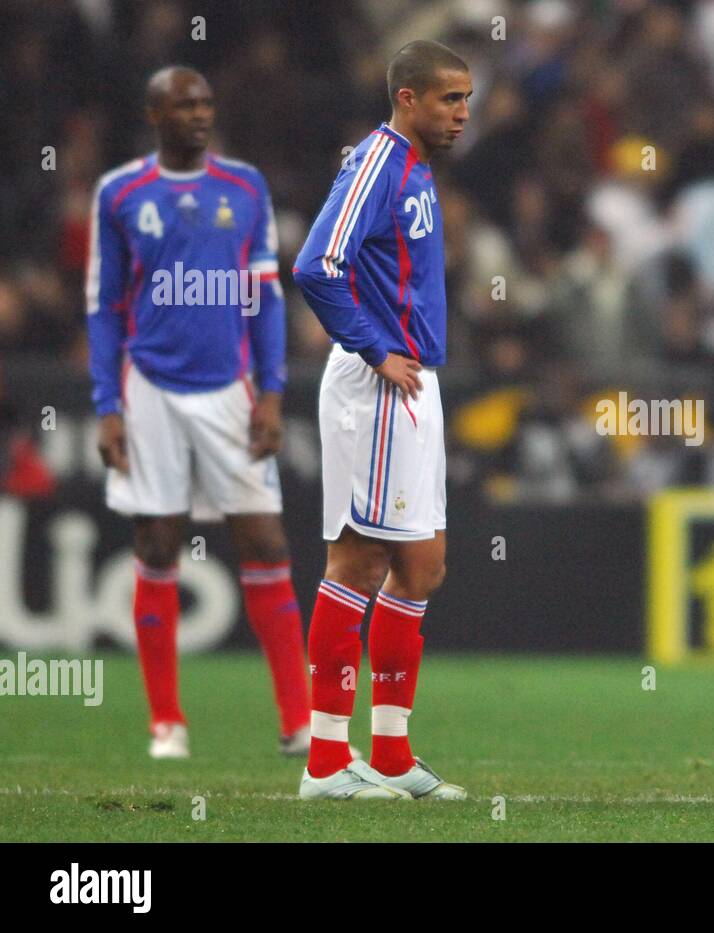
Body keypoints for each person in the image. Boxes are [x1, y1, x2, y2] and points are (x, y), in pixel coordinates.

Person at [87, 67, 310, 759]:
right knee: (156, 545)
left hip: (229, 389)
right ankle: (166, 722)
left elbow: (266, 296)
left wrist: (271, 390)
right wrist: (106, 404)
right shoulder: (120, 192)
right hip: (149, 385)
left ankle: (298, 721)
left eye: (207, 102)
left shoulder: (245, 186)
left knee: (267, 542)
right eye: (184, 105)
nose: (200, 114)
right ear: (155, 113)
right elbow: (105, 305)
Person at [291, 40, 471, 800]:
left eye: (466, 98)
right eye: (449, 100)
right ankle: (326, 763)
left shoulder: (414, 167)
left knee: (423, 565)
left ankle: (390, 753)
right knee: (358, 563)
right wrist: (371, 347)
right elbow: (313, 264)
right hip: (378, 384)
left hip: (415, 383)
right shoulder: (377, 162)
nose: (463, 113)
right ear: (407, 99)